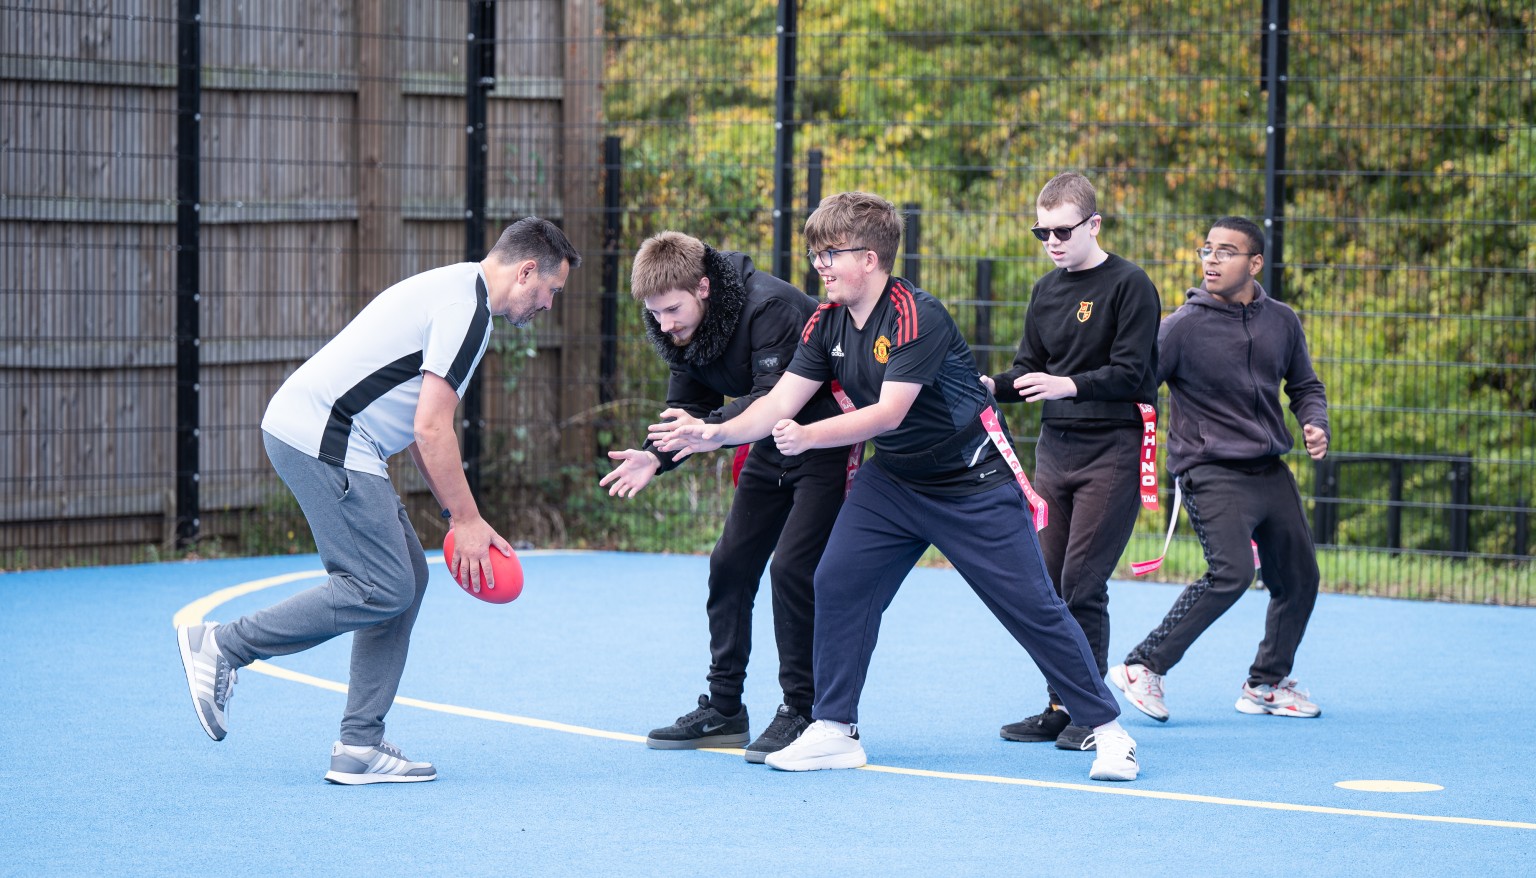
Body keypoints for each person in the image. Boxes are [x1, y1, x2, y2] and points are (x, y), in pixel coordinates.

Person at [652, 192, 1140, 782]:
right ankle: (834, 728)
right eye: (816, 254)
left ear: (871, 258)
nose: (819, 265)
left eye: (831, 253)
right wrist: (715, 433)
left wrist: (809, 438)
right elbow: (779, 402)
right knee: (836, 580)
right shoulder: (825, 322)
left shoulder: (916, 315)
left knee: (1031, 608)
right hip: (897, 481)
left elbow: (887, 413)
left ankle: (1108, 731)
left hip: (971, 478)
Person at [175, 217, 581, 783]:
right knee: (381, 585)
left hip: (329, 435)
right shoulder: (466, 311)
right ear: (527, 271)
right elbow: (432, 429)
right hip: (325, 435)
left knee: (406, 577)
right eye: (551, 290)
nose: (549, 304)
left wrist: (455, 514)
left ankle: (359, 746)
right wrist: (467, 520)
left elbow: (419, 427)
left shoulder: (458, 291)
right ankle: (224, 645)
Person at [600, 231, 852, 762]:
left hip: (825, 439)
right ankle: (724, 709)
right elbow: (689, 409)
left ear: (704, 287)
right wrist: (655, 456)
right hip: (768, 443)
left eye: (672, 310)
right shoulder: (678, 330)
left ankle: (801, 711)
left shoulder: (770, 308)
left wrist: (711, 430)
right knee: (730, 565)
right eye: (654, 313)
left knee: (793, 570)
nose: (664, 325)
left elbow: (773, 397)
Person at [1108, 215, 1329, 722]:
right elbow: (1134, 387)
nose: (1212, 259)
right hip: (1209, 471)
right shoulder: (1181, 327)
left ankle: (1266, 684)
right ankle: (1143, 666)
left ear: (1254, 263)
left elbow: (1305, 387)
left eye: (1226, 251)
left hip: (1270, 471)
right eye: (1207, 249)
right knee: (1232, 573)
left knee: (1300, 579)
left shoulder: (1282, 321)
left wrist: (1315, 423)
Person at [984, 173, 1160, 752]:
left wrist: (1068, 385)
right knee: (1047, 587)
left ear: (1094, 224)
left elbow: (1133, 373)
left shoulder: (1130, 285)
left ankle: (1093, 713)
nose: (1052, 242)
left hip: (1112, 449)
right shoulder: (1045, 290)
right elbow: (1027, 369)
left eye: (1062, 231)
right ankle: (1061, 705)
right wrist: (988, 385)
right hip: (1055, 451)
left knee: (1081, 585)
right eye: (1042, 232)